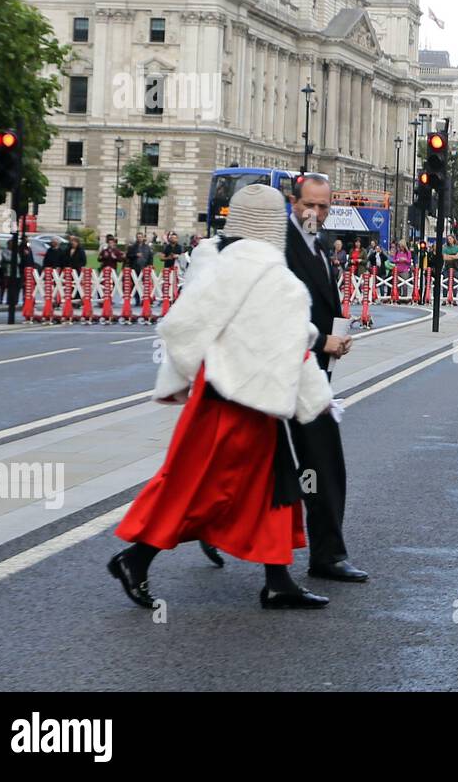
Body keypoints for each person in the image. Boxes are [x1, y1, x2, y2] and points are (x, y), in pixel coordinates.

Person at [108, 184, 335, 611]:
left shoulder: (216, 260)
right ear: (273, 222)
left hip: (217, 395)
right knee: (205, 487)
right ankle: (135, 558)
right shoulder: (275, 276)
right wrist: (316, 400)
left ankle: (278, 580)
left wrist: (182, 376)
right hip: (247, 403)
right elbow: (294, 345)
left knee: (268, 487)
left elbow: (184, 325)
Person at [281, 173, 367, 583]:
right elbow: (279, 314)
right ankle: (327, 556)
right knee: (323, 464)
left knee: (258, 467)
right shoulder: (282, 245)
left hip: (312, 371)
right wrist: (321, 342)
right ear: (293, 202)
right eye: (308, 205)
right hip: (291, 373)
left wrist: (337, 339)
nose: (315, 213)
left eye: (323, 207)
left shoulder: (316, 246)